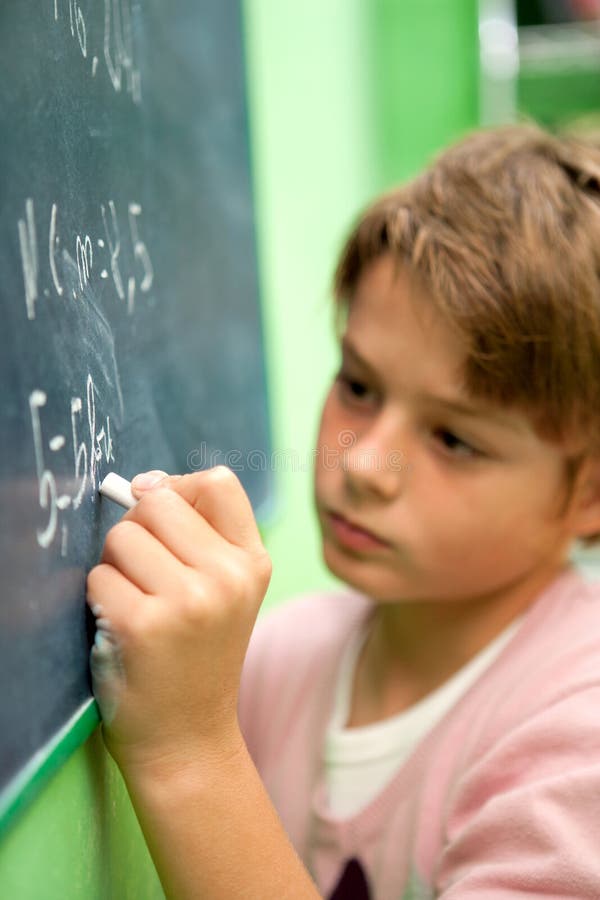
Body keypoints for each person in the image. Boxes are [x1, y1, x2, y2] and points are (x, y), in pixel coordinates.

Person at [87, 123, 600, 899]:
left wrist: (189, 750)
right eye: (359, 386)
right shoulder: (280, 660)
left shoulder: (579, 737)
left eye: (455, 439)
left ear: (590, 494)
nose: (363, 465)